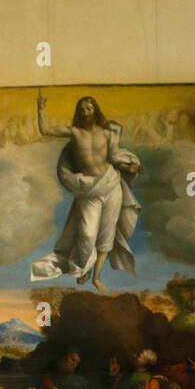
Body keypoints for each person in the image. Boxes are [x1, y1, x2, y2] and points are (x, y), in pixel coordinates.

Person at [31, 94, 141, 291]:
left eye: (88, 109)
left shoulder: (107, 133)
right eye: (81, 110)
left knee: (106, 237)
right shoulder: (75, 133)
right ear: (78, 113)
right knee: (88, 234)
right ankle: (85, 266)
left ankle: (96, 277)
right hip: (89, 190)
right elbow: (45, 130)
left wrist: (129, 167)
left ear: (95, 110)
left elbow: (114, 158)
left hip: (111, 186)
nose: (85, 113)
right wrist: (40, 109)